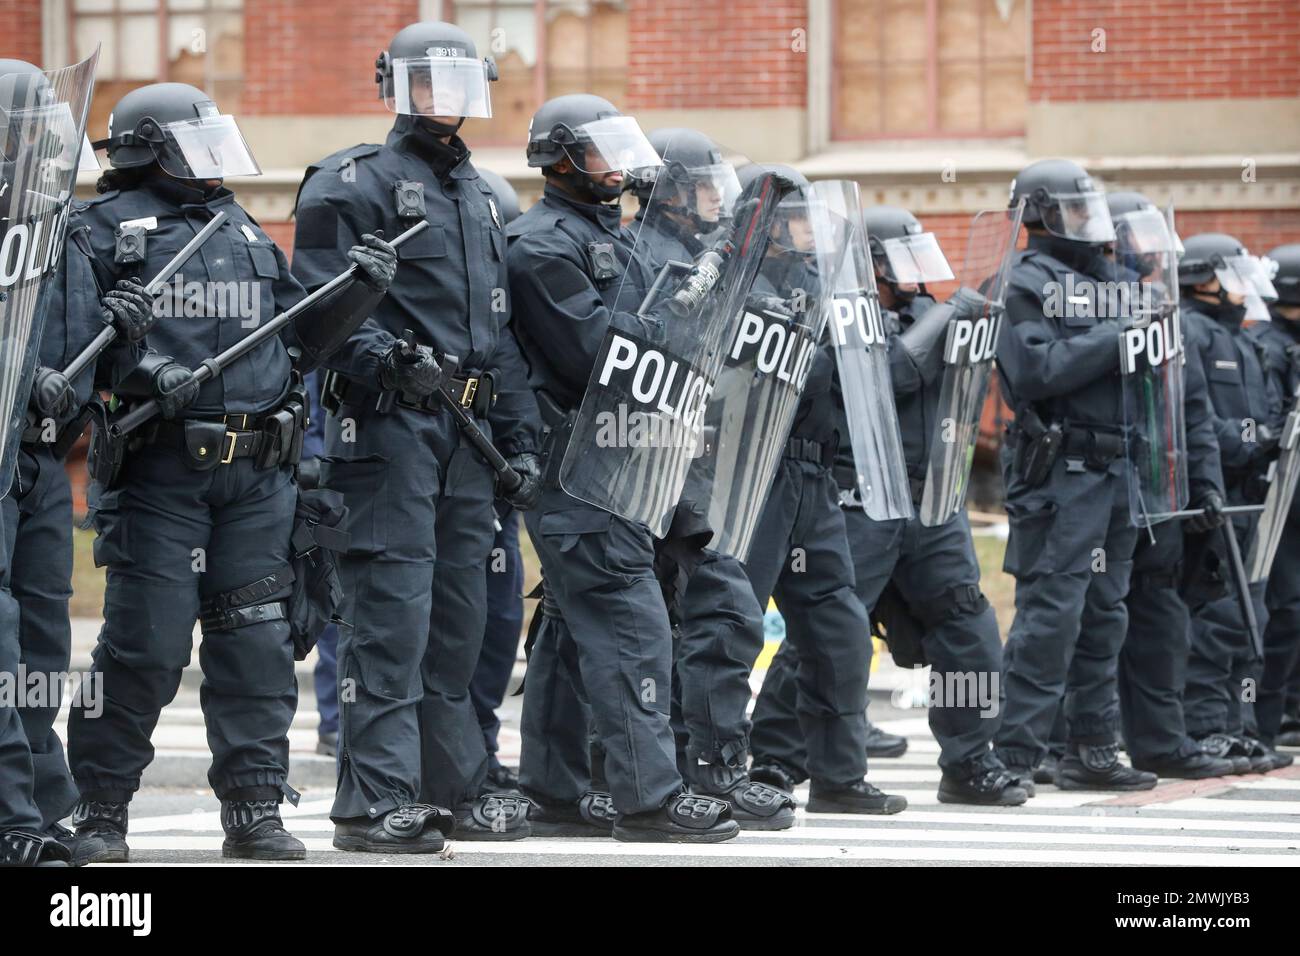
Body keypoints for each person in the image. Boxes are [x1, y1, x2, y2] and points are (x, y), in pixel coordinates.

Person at [66, 81, 398, 862]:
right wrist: (140, 369)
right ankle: (101, 811)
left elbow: (298, 347)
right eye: (194, 142)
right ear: (151, 146)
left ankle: (254, 810)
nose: (213, 159)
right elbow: (77, 348)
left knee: (255, 647)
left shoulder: (239, 225)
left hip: (256, 480)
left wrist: (360, 292)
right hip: (161, 476)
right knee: (144, 648)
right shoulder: (100, 231)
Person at [292, 21, 542, 851]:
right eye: (430, 82)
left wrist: (520, 440)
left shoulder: (480, 195)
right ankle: (371, 806)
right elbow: (313, 319)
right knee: (391, 623)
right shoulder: (346, 184)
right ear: (395, 86)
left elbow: (498, 331)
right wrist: (388, 359)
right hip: (387, 431)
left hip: (466, 437)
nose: (448, 99)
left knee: (459, 626)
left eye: (461, 82)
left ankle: (454, 789)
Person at [508, 93, 738, 842]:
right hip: (578, 470)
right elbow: (596, 354)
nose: (621, 167)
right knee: (630, 624)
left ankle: (555, 787)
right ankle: (648, 801)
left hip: (628, 463)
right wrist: (667, 319)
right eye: (602, 152)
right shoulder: (542, 244)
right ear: (562, 158)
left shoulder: (624, 241)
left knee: (574, 633)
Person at [753, 204, 1026, 805]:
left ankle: (970, 759)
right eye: (899, 259)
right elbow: (886, 376)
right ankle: (774, 759)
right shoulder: (834, 315)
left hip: (932, 500)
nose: (914, 274)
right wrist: (950, 316)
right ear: (867, 262)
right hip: (860, 497)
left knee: (966, 625)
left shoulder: (927, 310)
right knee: (827, 633)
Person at [738, 167, 909, 815]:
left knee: (838, 627)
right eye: (801, 220)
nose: (815, 233)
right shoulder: (742, 283)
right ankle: (719, 768)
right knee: (731, 624)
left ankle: (838, 776)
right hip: (756, 472)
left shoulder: (828, 287)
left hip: (816, 477)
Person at [992, 159, 1156, 793]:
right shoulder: (1023, 282)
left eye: (1091, 208)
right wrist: (1118, 336)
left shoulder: (1115, 282)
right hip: (1061, 471)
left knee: (1105, 613)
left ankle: (1089, 748)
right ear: (1037, 214)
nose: (1088, 223)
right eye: (1073, 210)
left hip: (1117, 468)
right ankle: (1014, 752)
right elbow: (1036, 371)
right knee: (1052, 612)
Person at [1106, 192, 1237, 779]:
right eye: (1139, 237)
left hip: (1161, 495)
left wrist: (1205, 486)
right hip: (1098, 490)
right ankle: (1062, 744)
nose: (1151, 250)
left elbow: (1194, 415)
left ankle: (1162, 743)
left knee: (1161, 624)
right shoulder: (1082, 303)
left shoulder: (1164, 307)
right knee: (1089, 622)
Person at [1179, 232, 1291, 772]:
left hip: (1250, 494)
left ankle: (1237, 725)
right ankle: (1205, 726)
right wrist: (1251, 441)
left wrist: (1271, 436)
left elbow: (1262, 413)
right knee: (1218, 616)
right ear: (1203, 278)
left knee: (1252, 614)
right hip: (1213, 492)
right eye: (1230, 273)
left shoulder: (1240, 339)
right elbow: (1192, 419)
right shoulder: (1190, 331)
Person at [468, 167, 526, 794]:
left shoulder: (504, 315)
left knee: (499, 622)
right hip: (437, 485)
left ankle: (481, 750)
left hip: (497, 493)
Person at [1250, 243, 1300, 752]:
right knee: (1284, 610)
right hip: (1280, 502)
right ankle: (1265, 717)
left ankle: (1289, 708)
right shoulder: (1269, 348)